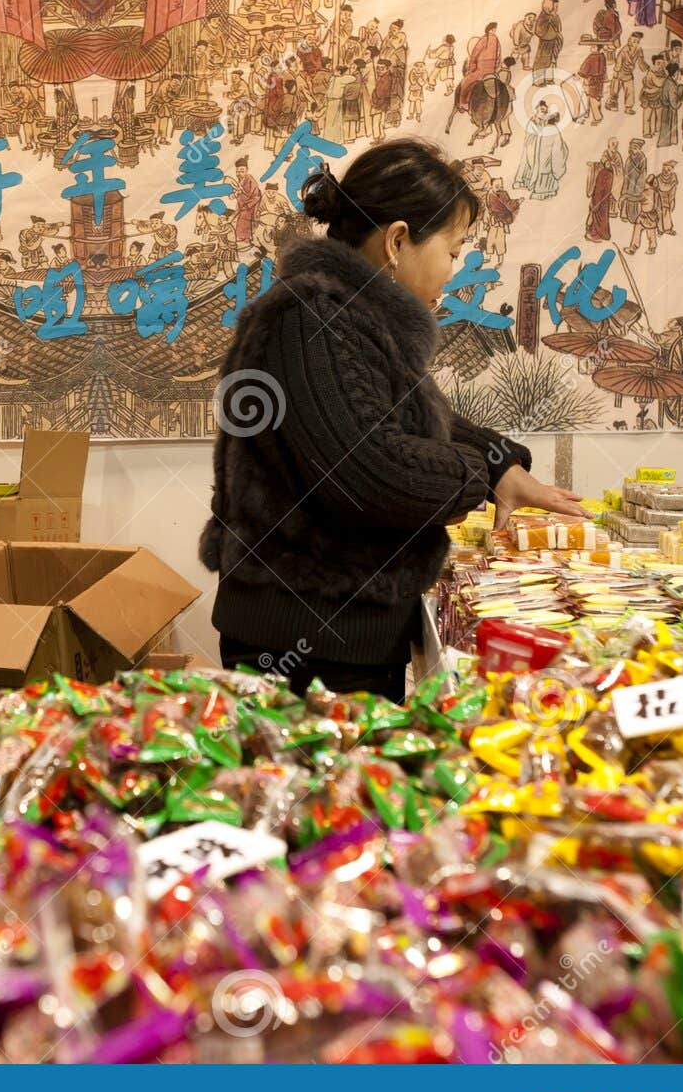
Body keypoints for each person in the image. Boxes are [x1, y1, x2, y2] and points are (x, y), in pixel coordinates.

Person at [199, 139, 581, 699]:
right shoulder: (311, 321)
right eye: (452, 251)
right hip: (307, 638)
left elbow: (400, 417)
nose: (454, 271)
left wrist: (499, 463)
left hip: (342, 632)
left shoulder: (347, 317)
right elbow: (372, 470)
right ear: (398, 240)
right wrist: (477, 472)